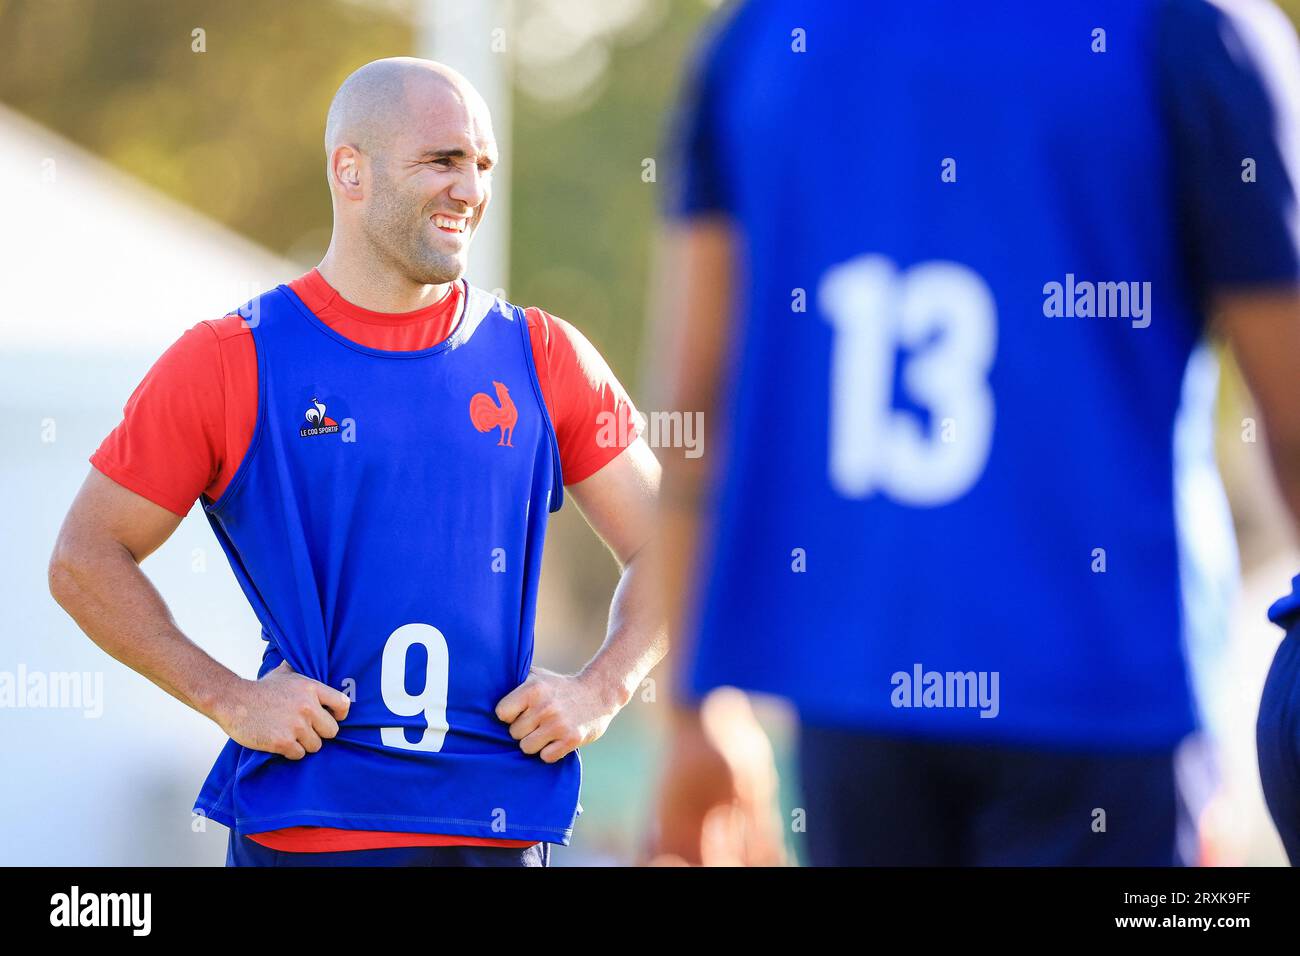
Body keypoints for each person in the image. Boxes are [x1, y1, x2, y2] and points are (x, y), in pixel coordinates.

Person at [649, 0, 1300, 865]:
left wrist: (694, 711)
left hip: (858, 692)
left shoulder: (764, 36)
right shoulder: (1186, 27)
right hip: (1102, 693)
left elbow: (692, 409)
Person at [48, 57, 665, 867]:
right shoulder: (232, 360)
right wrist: (229, 697)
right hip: (311, 832)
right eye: (442, 161)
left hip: (495, 828)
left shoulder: (543, 354)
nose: (470, 189)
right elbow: (85, 558)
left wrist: (600, 689)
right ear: (351, 170)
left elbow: (676, 545)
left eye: (481, 165)